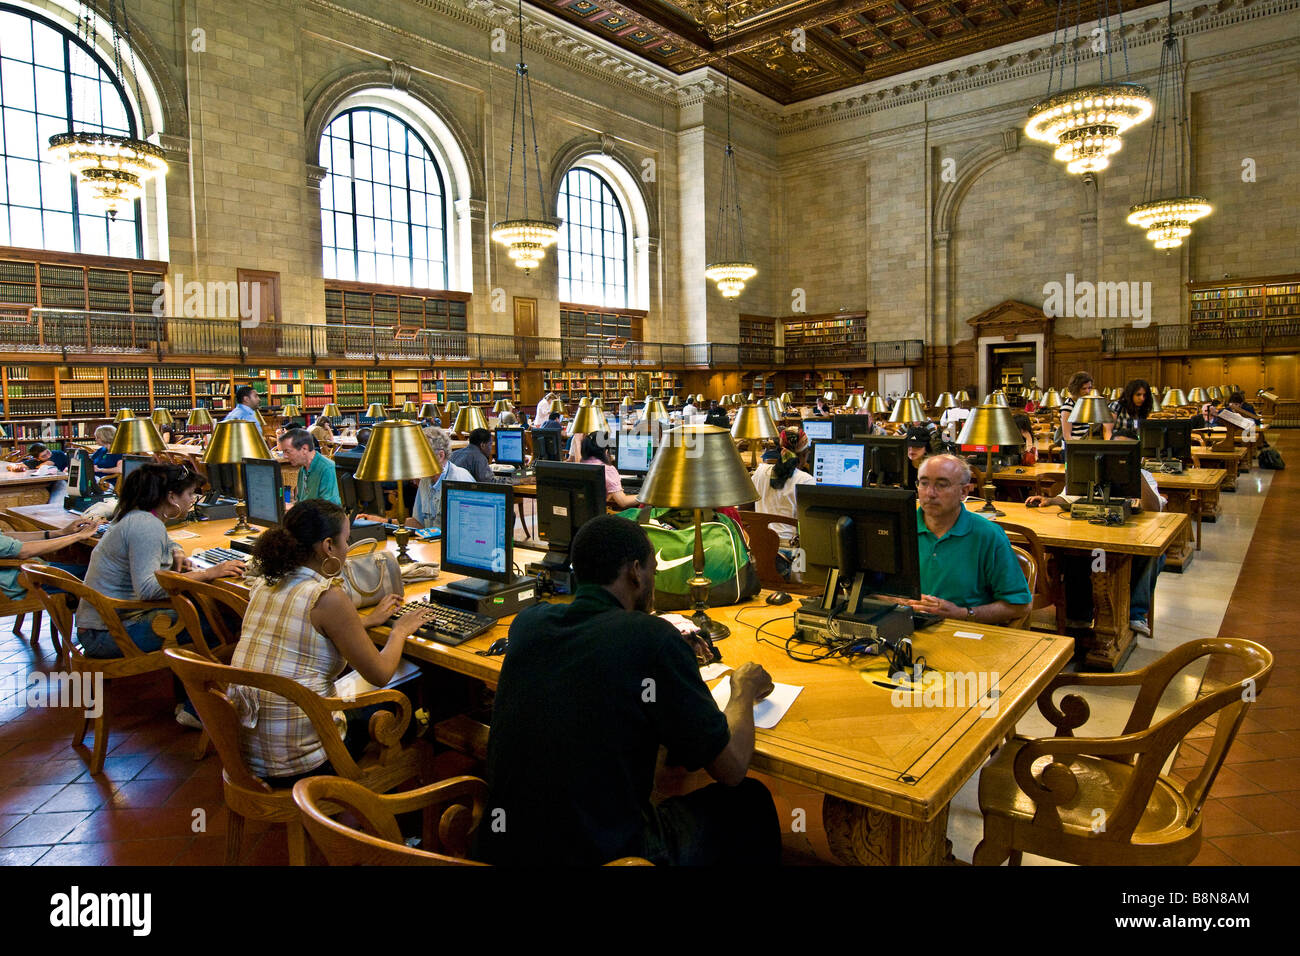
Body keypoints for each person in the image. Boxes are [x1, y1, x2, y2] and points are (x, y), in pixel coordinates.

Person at [478, 515, 780, 865]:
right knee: (751, 800)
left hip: (504, 849)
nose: (653, 579)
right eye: (653, 568)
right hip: (605, 856)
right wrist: (742, 688)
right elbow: (731, 768)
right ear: (635, 571)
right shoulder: (653, 639)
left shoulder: (527, 625)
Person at [231, 499, 434, 785]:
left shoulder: (265, 583)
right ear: (327, 546)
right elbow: (380, 674)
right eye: (346, 540)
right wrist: (400, 630)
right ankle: (393, 810)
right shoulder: (327, 597)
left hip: (252, 753)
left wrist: (363, 621)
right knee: (404, 693)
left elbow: (306, 628)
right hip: (306, 763)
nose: (347, 549)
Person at [75, 463, 245, 725]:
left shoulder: (136, 515)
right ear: (171, 497)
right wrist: (210, 572)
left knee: (203, 613)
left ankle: (191, 703)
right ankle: (198, 709)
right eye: (190, 494)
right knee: (226, 622)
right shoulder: (146, 526)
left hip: (98, 625)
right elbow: (149, 588)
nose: (192, 501)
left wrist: (175, 549)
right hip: (110, 634)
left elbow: (156, 541)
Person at [1026, 452, 1166, 636]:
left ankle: (1134, 614)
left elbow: (1154, 507)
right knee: (1076, 553)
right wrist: (1051, 500)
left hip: (1132, 535)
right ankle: (1079, 616)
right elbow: (1067, 497)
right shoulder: (1089, 471)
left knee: (1153, 554)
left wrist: (1135, 473)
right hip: (1093, 534)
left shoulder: (1145, 476)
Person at [902, 454, 1031, 626]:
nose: (929, 493)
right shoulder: (901, 526)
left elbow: (1020, 605)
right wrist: (903, 604)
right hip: (908, 628)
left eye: (941, 485)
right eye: (924, 483)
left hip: (967, 633)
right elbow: (869, 590)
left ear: (964, 492)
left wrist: (963, 613)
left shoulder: (988, 535)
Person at [0, 516, 98, 602]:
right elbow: (23, 551)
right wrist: (78, 536)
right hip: (22, 583)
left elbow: (6, 538)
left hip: (26, 571)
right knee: (100, 574)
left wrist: (61, 532)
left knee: (90, 568)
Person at [749, 427, 814, 540]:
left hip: (758, 546)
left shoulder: (760, 472)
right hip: (788, 550)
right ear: (805, 454)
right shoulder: (806, 481)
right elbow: (810, 525)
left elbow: (745, 509)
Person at [409, 427, 473, 530]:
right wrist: (387, 523)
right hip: (431, 544)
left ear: (440, 455)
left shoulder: (460, 481)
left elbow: (465, 530)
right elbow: (418, 522)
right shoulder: (425, 480)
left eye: (421, 456)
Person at [279, 428, 341, 506]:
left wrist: (293, 509)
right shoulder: (302, 469)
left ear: (304, 449)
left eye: (287, 451)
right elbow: (301, 502)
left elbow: (329, 509)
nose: (285, 456)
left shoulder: (327, 468)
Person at [579, 431, 640, 510]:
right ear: (606, 451)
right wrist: (645, 495)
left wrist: (611, 490)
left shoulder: (581, 465)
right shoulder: (607, 470)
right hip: (600, 516)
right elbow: (623, 502)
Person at [1060, 371, 1111, 442]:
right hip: (1074, 446)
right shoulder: (1068, 406)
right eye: (1084, 388)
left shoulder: (1087, 403)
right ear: (1076, 388)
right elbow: (1067, 436)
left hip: (1087, 443)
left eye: (1089, 388)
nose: (1087, 391)